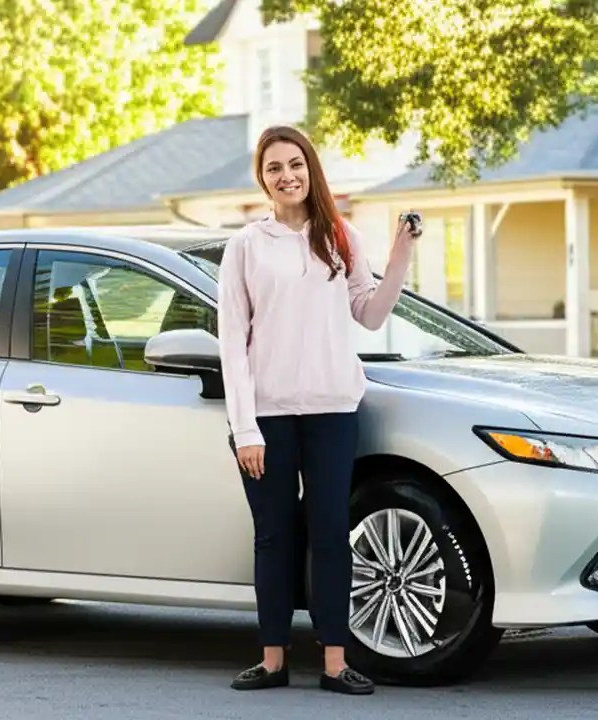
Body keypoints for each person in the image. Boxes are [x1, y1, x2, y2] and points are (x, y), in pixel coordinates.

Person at [217, 125, 420, 695]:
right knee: (274, 537)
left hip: (332, 411)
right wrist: (244, 429)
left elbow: (370, 314)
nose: (287, 176)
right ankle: (273, 660)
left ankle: (335, 662)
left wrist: (400, 258)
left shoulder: (340, 236)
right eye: (275, 167)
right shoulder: (246, 247)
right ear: (263, 179)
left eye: (296, 164)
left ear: (311, 170)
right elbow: (232, 342)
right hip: (267, 419)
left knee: (331, 534)